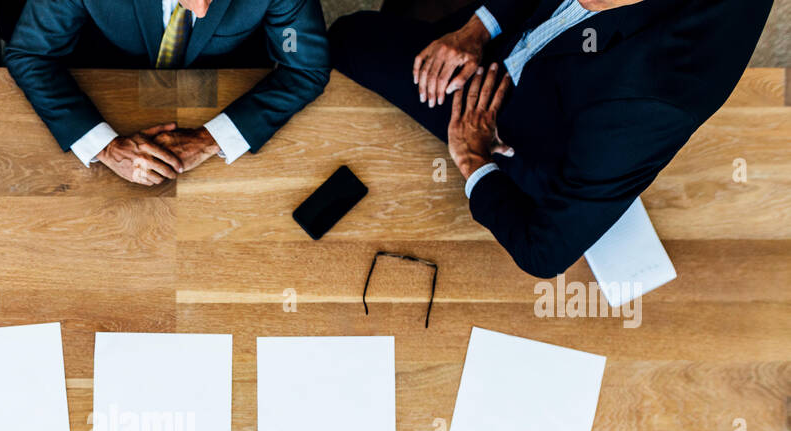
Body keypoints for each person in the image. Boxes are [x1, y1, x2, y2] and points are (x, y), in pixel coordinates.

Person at [328, 0, 773, 277]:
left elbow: (543, 253)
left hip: (517, 123)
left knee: (353, 43)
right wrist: (476, 29)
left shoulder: (640, 105)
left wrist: (473, 158)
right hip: (523, 34)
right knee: (348, 36)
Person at [4, 0, 329, 186]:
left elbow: (305, 69)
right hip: (105, 72)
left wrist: (211, 139)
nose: (202, 10)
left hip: (226, 84)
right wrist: (104, 147)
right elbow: (31, 54)